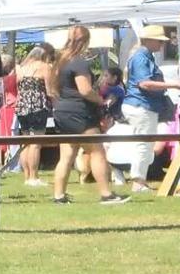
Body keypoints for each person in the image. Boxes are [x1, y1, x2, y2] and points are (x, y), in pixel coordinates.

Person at [49, 26, 130, 205]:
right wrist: (101, 100)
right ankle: (106, 194)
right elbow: (85, 90)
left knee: (66, 156)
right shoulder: (79, 62)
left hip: (62, 111)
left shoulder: (59, 61)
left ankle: (59, 196)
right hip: (80, 112)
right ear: (85, 41)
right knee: (97, 152)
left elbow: (53, 89)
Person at [121, 25, 180, 194]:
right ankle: (138, 182)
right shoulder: (141, 58)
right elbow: (144, 83)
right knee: (144, 144)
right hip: (141, 105)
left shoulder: (144, 56)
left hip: (142, 105)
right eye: (159, 41)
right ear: (148, 40)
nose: (162, 45)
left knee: (145, 144)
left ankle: (139, 180)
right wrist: (173, 84)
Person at [15, 45, 54, 186]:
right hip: (37, 105)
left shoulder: (21, 68)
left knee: (26, 142)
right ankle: (34, 177)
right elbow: (49, 90)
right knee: (36, 143)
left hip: (22, 105)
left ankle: (26, 176)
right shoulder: (44, 67)